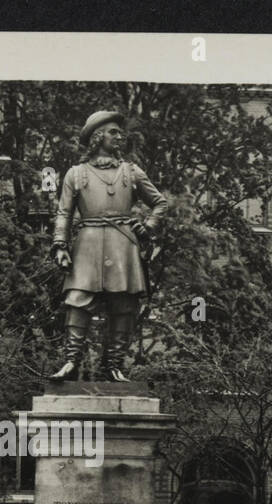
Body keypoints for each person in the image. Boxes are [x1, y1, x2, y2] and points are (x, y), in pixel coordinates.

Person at [49, 111, 169, 382]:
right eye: (113, 131)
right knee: (77, 301)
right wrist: (59, 245)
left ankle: (113, 365)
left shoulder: (132, 172)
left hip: (122, 244)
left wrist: (148, 226)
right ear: (97, 137)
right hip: (88, 243)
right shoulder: (76, 173)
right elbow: (64, 213)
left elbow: (160, 203)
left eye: (119, 132)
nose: (119, 136)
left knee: (123, 305)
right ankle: (70, 362)